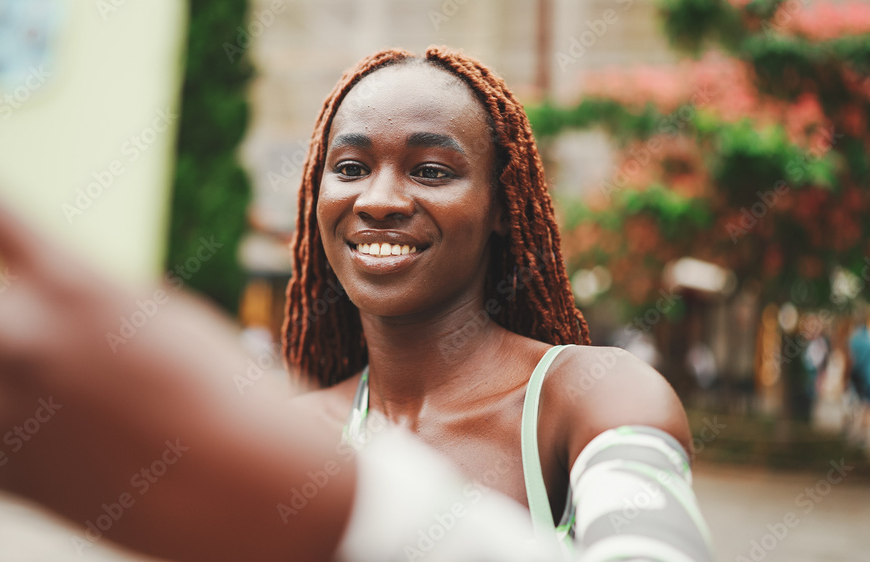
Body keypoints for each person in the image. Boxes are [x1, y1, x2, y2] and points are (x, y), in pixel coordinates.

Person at [286, 47, 713, 559]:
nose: (378, 201)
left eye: (432, 171)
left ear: (502, 208)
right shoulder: (295, 433)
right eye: (351, 167)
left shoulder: (593, 396)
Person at [848, 309, 870, 441]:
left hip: (855, 373)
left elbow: (850, 356)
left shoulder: (854, 337)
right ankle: (863, 433)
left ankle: (851, 429)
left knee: (854, 401)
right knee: (867, 404)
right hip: (868, 375)